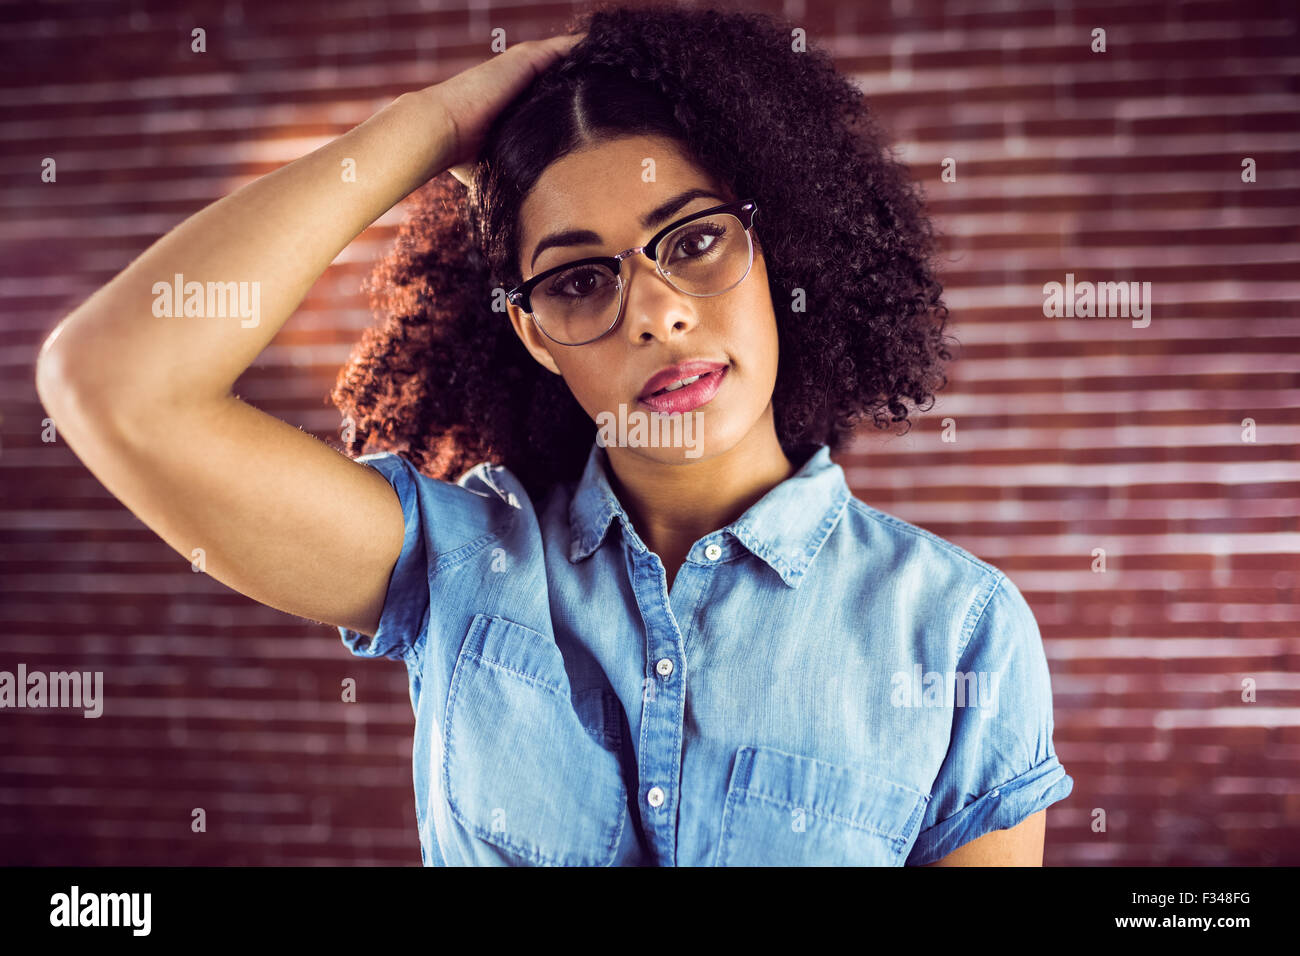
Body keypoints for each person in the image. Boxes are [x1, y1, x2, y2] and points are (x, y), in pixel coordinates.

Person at [35, 3, 1072, 866]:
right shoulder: (453, 565)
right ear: (532, 332)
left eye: (695, 238)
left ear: (776, 247)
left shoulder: (958, 629)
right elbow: (114, 383)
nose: (655, 312)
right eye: (581, 277)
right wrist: (436, 127)